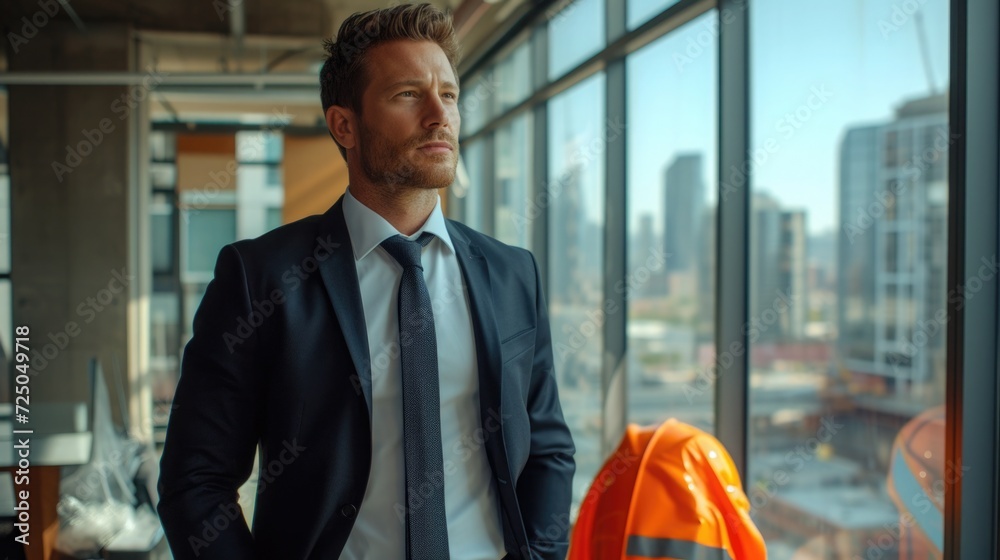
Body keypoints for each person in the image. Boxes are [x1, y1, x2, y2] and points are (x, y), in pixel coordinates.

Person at [155, 4, 576, 559]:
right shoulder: (259, 278)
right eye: (407, 94)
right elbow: (195, 482)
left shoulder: (512, 273)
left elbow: (547, 449)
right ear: (344, 125)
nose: (439, 115)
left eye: (448, 95)